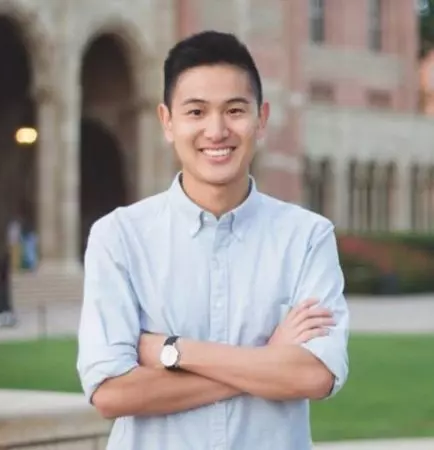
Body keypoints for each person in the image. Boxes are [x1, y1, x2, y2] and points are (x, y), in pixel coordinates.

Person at [77, 30, 349, 450]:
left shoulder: (307, 237)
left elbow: (314, 376)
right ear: (167, 122)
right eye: (197, 111)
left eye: (235, 110)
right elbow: (112, 393)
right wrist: (266, 362)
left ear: (262, 118)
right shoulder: (119, 237)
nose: (217, 130)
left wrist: (173, 351)